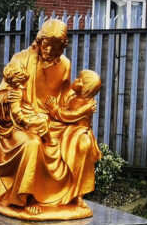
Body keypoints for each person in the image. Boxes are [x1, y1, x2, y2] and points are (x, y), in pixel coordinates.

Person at [0, 18, 97, 220]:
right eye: (46, 48)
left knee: (83, 139)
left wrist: (84, 103)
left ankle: (74, 195)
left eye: (56, 51)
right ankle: (24, 199)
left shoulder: (64, 65)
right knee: (32, 143)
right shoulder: (20, 60)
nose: (49, 54)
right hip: (20, 124)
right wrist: (8, 101)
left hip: (53, 121)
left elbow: (65, 97)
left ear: (62, 49)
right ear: (38, 42)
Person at [43, 69, 103, 206]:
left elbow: (70, 116)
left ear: (86, 89)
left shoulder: (87, 105)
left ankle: (77, 194)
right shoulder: (73, 96)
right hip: (68, 129)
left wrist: (54, 109)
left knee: (78, 159)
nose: (75, 80)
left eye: (79, 79)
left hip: (77, 133)